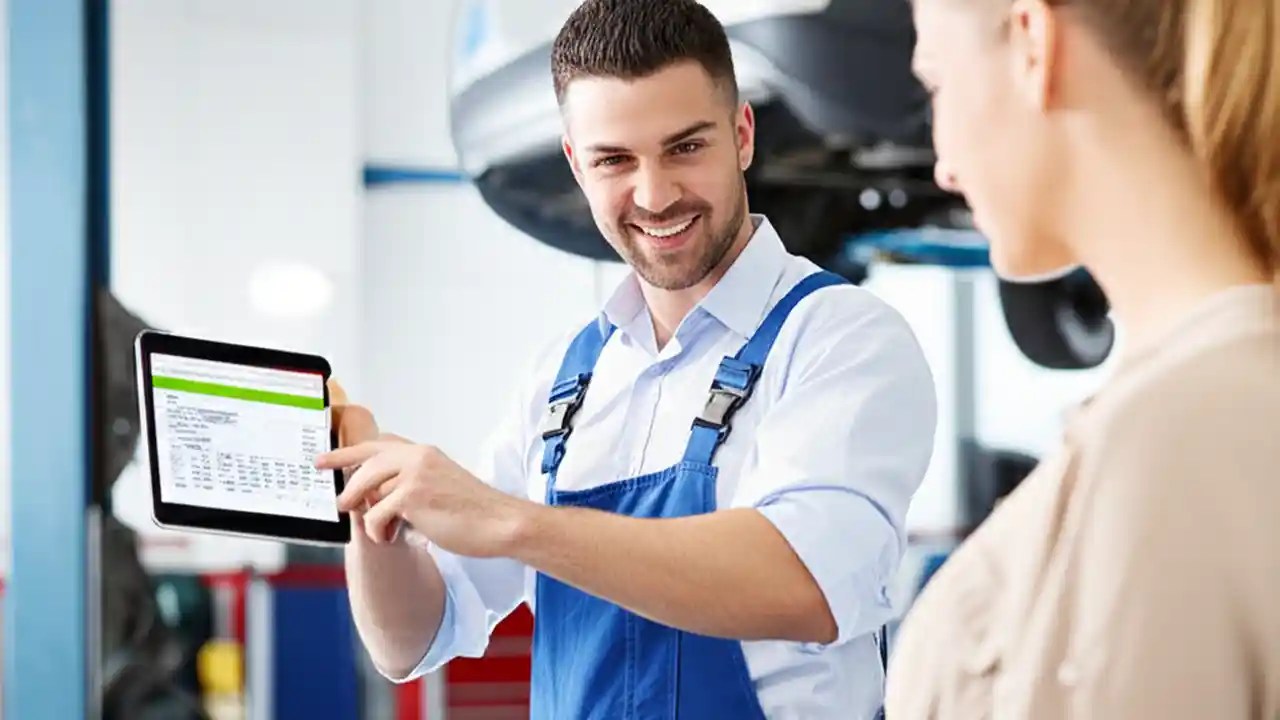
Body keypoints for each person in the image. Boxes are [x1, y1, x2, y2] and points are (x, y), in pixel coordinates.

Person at [317, 0, 937, 717]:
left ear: (741, 135)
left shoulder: (839, 338)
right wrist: (371, 515)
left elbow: (806, 584)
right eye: (616, 160)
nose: (655, 194)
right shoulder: (562, 381)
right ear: (577, 165)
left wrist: (514, 522)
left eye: (685, 148)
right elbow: (412, 641)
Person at [888, 0, 1279, 717]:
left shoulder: (1177, 443)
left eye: (936, 84)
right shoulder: (1191, 417)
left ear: (1033, 44)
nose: (941, 164)